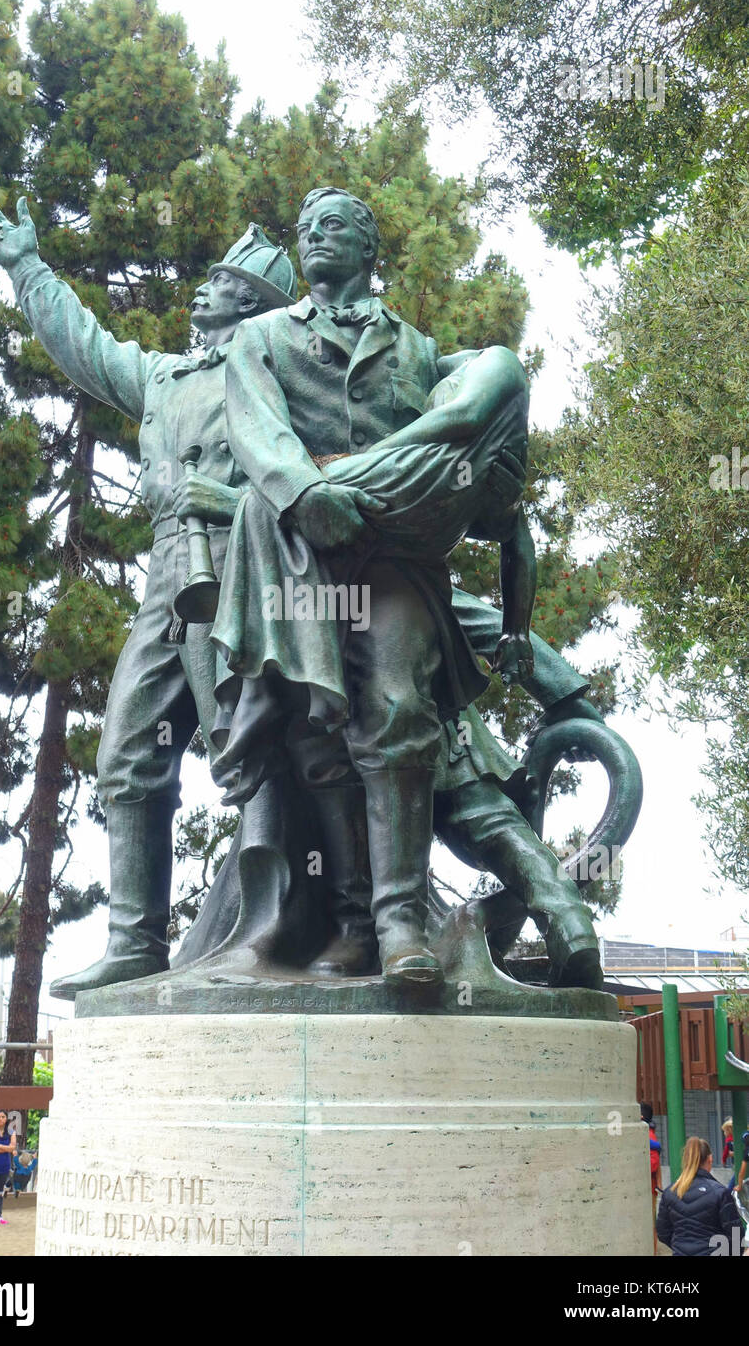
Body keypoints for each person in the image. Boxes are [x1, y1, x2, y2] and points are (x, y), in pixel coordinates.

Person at [219, 184, 602, 985]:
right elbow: (257, 431)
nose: (315, 236)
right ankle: (356, 922)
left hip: (395, 563)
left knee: (397, 709)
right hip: (299, 550)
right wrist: (305, 491)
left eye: (335, 226)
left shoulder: (422, 353)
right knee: (318, 734)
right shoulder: (258, 338)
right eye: (305, 228)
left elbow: (491, 468)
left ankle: (401, 925)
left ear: (369, 250)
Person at [0, 196, 297, 998]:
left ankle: (281, 923)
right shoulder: (164, 375)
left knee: (250, 745)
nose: (203, 288)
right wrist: (25, 264)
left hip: (248, 565)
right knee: (128, 748)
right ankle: (134, 944)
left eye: (221, 281)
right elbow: (83, 345)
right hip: (169, 573)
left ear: (253, 301)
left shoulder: (278, 365)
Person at [656, 1136, 743, 1256]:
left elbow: (662, 1232)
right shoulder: (720, 1192)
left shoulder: (670, 1192)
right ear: (710, 1159)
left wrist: (681, 1246)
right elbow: (736, 1234)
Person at [648, 1120, 663, 1252]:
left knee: (650, 1223)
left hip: (648, 1189)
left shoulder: (648, 1134)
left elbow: (654, 1163)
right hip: (650, 1188)